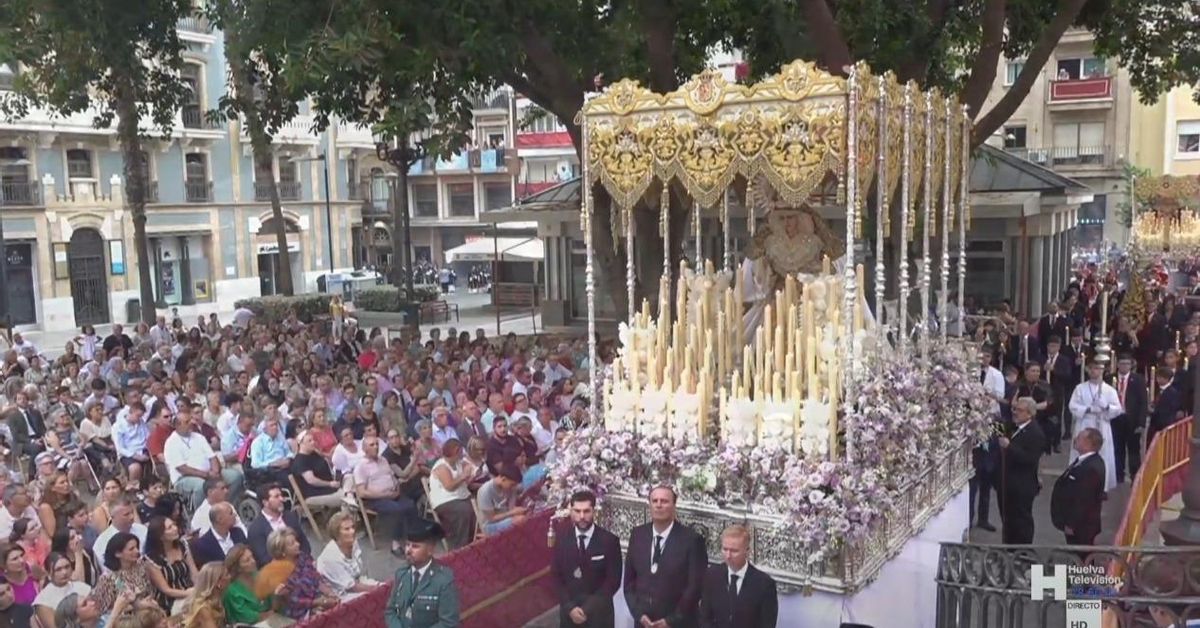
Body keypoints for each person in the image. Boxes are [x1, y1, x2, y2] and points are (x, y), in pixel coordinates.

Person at [623, 486, 708, 628]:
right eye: (655, 501)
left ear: (674, 505)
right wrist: (639, 614)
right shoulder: (638, 534)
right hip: (644, 621)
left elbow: (695, 587)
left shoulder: (692, 540)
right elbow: (629, 583)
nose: (659, 505)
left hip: (677, 622)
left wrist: (671, 620)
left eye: (664, 501)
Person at [551, 489, 621, 628]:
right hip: (569, 616)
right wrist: (570, 608)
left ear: (594, 511)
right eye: (577, 511)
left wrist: (586, 609)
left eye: (586, 511)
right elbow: (556, 577)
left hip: (599, 616)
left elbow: (613, 581)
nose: (582, 516)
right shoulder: (562, 539)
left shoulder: (609, 541)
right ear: (571, 511)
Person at [162, 408, 244, 511]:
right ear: (178, 425)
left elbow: (212, 457)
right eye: (187, 422)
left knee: (235, 476)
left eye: (190, 420)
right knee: (201, 486)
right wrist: (206, 475)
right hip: (184, 478)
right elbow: (182, 468)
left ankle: (226, 507)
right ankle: (202, 514)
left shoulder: (198, 437)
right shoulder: (171, 442)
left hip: (209, 473)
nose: (191, 423)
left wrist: (215, 471)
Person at [698, 524, 778, 628]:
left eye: (734, 551)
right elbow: (704, 617)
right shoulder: (712, 575)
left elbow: (767, 624)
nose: (728, 556)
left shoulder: (764, 585)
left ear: (747, 551)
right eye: (725, 549)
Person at [385, 520, 460, 628]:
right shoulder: (401, 575)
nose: (408, 550)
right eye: (407, 545)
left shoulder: (443, 580)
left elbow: (449, 623)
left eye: (415, 546)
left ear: (430, 550)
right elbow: (390, 611)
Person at [354, 435, 418, 556]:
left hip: (392, 493)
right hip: (375, 498)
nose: (376, 447)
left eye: (377, 444)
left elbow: (392, 477)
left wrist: (397, 489)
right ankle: (395, 544)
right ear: (364, 449)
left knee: (410, 505)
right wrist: (383, 495)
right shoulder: (360, 467)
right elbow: (361, 492)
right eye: (372, 445)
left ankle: (413, 537)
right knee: (396, 509)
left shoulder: (383, 460)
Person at [257, 527, 338, 620]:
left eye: (296, 541)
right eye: (292, 544)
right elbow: (293, 602)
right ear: (282, 551)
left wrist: (330, 593)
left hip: (319, 599)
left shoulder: (302, 556)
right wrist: (320, 602)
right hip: (299, 612)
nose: (298, 544)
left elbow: (316, 578)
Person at [999, 397, 1046, 545]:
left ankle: (1023, 550)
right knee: (1009, 518)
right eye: (1015, 409)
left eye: (1019, 410)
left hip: (1022, 485)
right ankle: (1009, 547)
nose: (1015, 413)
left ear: (1029, 413)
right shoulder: (1016, 427)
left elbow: (1030, 459)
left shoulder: (1035, 433)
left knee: (1021, 520)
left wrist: (1009, 447)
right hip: (1010, 483)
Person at [1068, 360, 1120, 492]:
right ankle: (1077, 482)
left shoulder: (1109, 390)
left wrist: (1106, 407)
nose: (1094, 371)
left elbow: (1118, 409)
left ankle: (1102, 486)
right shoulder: (1080, 388)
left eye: (1097, 368)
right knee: (1081, 450)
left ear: (1102, 371)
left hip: (1102, 423)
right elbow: (1072, 406)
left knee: (1103, 454)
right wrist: (1087, 409)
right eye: (1091, 368)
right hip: (1085, 422)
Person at [1051, 428, 1107, 545]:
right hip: (1076, 524)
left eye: (1079, 438)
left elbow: (1084, 500)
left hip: (1082, 527)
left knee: (1079, 552)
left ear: (1088, 444)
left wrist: (1071, 524)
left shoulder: (1091, 468)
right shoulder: (1083, 460)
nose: (1075, 439)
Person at [428, 438, 477, 550]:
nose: (462, 453)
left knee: (476, 505)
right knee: (464, 510)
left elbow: (469, 466)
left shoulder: (458, 462)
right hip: (445, 501)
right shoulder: (441, 466)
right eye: (460, 451)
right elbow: (449, 486)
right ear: (455, 451)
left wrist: (470, 469)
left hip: (460, 497)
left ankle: (473, 540)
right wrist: (463, 476)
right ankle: (460, 546)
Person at [316, 511, 380, 598]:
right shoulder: (331, 557)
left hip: (356, 582)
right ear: (336, 534)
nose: (352, 531)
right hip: (339, 594)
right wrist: (377, 589)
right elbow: (351, 587)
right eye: (347, 529)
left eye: (353, 527)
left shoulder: (353, 542)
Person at [91, 532, 157, 615]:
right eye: (131, 549)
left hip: (149, 613)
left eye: (137, 547)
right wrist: (137, 606)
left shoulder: (141, 566)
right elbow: (104, 610)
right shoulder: (110, 578)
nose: (137, 551)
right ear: (118, 553)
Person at [247, 483, 311, 568]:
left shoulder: (290, 516)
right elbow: (264, 559)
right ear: (265, 503)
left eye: (281, 495)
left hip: (303, 562)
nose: (282, 499)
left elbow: (303, 541)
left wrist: (304, 560)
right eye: (276, 496)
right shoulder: (256, 529)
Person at [144, 515, 198, 614]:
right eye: (170, 528)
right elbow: (166, 590)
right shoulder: (151, 559)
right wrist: (189, 594)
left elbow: (194, 572)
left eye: (174, 525)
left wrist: (199, 588)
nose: (175, 528)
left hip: (190, 590)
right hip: (169, 600)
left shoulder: (182, 545)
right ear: (160, 536)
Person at [222, 544, 283, 626]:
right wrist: (269, 614)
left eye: (252, 557)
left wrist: (277, 594)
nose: (253, 561)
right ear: (237, 568)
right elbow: (246, 618)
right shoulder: (231, 591)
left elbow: (275, 606)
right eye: (247, 560)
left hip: (272, 621)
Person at [291, 430, 353, 509]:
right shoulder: (300, 461)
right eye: (309, 441)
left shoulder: (314, 453)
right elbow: (311, 480)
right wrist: (329, 484)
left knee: (350, 478)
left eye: (313, 440)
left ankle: (348, 499)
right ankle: (349, 503)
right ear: (301, 444)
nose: (313, 442)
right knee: (345, 496)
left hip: (331, 487)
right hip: (315, 494)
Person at [1112, 354, 1148, 484]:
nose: (1124, 366)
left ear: (1131, 365)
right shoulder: (1110, 378)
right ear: (1117, 364)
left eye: (1127, 364)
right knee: (1117, 448)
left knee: (1133, 450)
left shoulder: (1138, 380)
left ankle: (1135, 476)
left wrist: (1141, 423)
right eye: (1122, 364)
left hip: (1132, 420)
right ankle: (1118, 475)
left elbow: (1143, 402)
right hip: (1115, 419)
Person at [34, 551, 92, 628]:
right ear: (49, 573)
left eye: (67, 567)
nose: (64, 572)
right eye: (58, 569)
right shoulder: (43, 600)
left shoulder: (82, 587)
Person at [92, 499, 148, 570]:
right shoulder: (102, 543)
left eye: (132, 512)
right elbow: (107, 570)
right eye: (126, 514)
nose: (132, 517)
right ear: (113, 517)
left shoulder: (143, 530)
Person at [477, 466, 527, 536]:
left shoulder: (510, 488)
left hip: (506, 517)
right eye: (512, 485)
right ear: (503, 479)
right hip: (490, 525)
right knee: (520, 520)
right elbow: (491, 518)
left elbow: (511, 507)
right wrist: (512, 513)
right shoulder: (485, 491)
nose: (513, 487)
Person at [178, 563, 227, 628]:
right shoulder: (203, 609)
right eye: (227, 575)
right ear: (218, 582)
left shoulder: (217, 601)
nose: (230, 577)